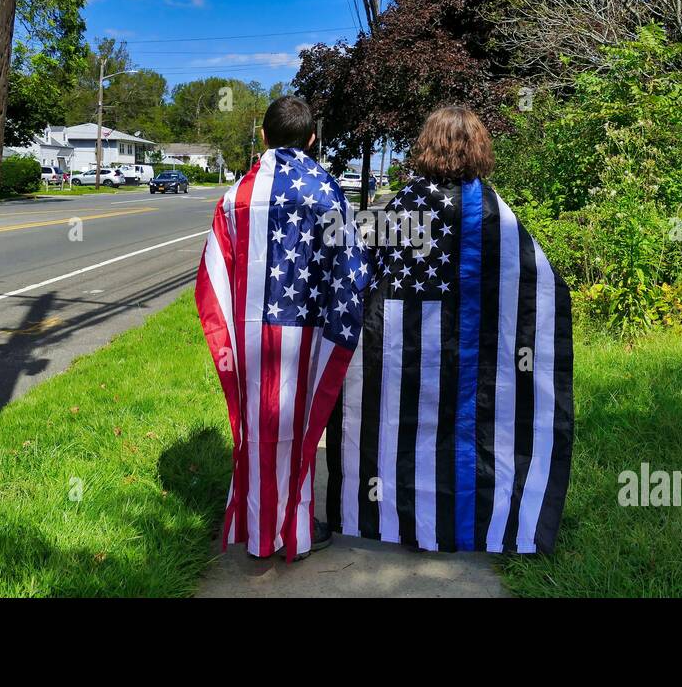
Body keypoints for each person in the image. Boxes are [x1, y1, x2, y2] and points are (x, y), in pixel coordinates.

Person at [325, 106, 575, 553]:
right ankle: (473, 525)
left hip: (406, 351)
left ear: (428, 146)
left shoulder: (403, 203)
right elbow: (541, 281)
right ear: (478, 148)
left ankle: (412, 525)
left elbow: (358, 268)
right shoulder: (494, 210)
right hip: (473, 356)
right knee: (459, 432)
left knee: (407, 431)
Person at [195, 95, 368, 561]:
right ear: (311, 139)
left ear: (264, 136)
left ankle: (255, 521)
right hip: (310, 336)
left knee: (256, 427)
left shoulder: (236, 199)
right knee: (301, 425)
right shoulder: (329, 194)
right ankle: (294, 523)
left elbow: (212, 279)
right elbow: (352, 275)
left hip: (252, 337)